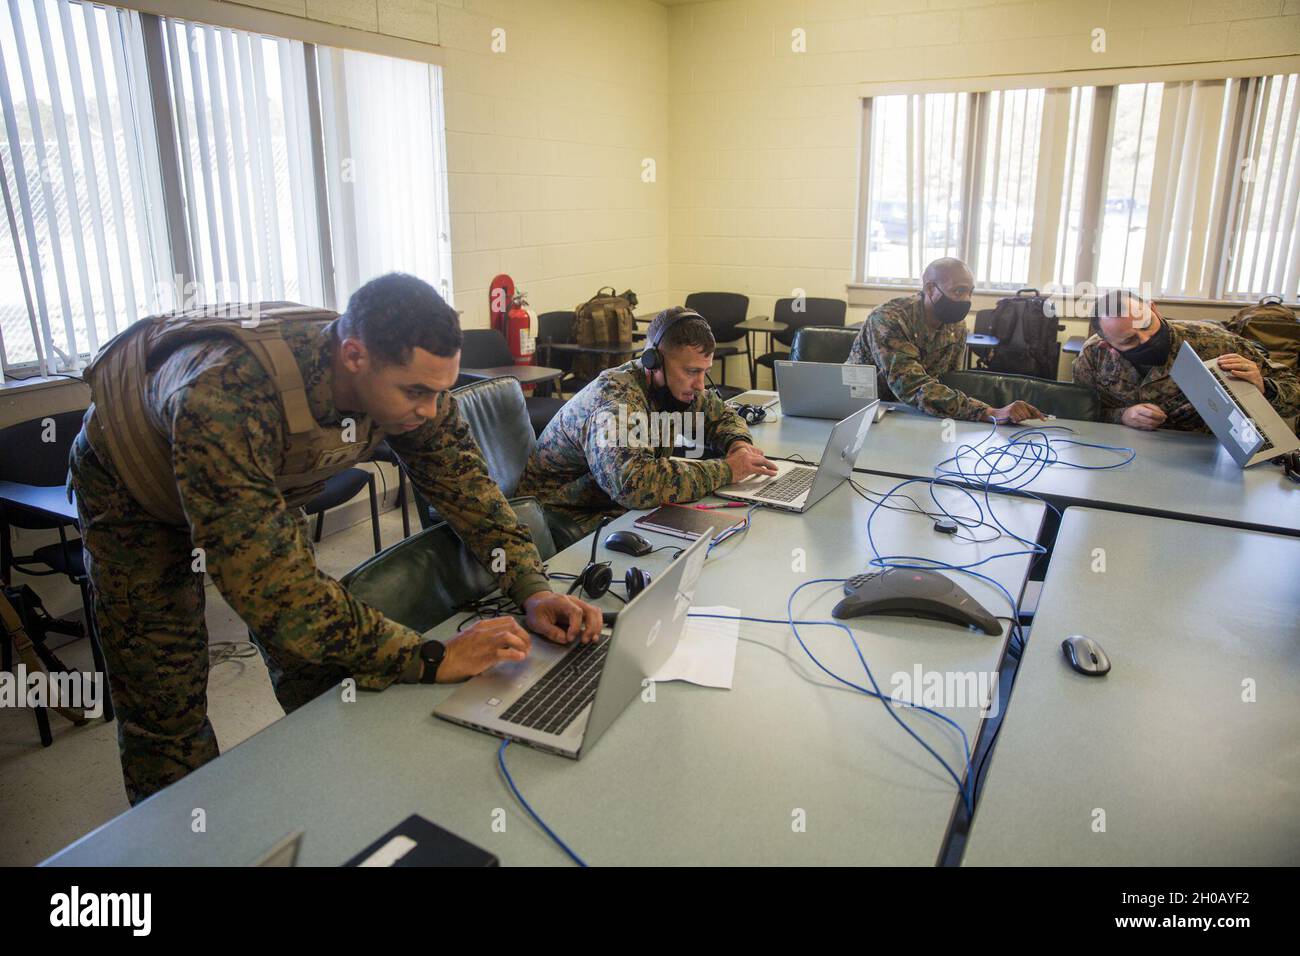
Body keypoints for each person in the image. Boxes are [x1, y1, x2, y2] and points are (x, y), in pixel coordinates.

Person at [70, 273, 602, 805]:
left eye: (440, 391)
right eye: (416, 392)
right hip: (134, 494)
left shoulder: (413, 387)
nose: (430, 410)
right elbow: (280, 596)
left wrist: (532, 587)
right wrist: (431, 656)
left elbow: (468, 488)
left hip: (253, 482)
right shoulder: (226, 394)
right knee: (165, 699)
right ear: (353, 356)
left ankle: (351, 795)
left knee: (321, 661)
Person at [517, 306, 779, 532]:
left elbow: (720, 416)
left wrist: (739, 445)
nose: (700, 384)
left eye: (704, 372)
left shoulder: (675, 387)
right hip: (560, 519)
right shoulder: (615, 400)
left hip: (611, 507)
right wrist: (728, 469)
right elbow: (635, 485)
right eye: (691, 371)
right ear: (653, 361)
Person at [847, 257, 1044, 423]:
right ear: (931, 289)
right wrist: (988, 412)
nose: (966, 299)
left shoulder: (956, 325)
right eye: (959, 291)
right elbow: (911, 386)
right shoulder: (890, 319)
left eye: (970, 292)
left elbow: (948, 379)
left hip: (913, 412)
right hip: (862, 410)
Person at [1072, 289, 1300, 431]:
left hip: (1202, 457)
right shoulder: (1094, 355)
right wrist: (1122, 416)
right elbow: (1083, 413)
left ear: (1154, 309)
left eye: (1147, 325)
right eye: (1130, 341)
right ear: (1108, 344)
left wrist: (1264, 387)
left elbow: (1294, 391)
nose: (1147, 339)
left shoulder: (1214, 341)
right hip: (1122, 451)